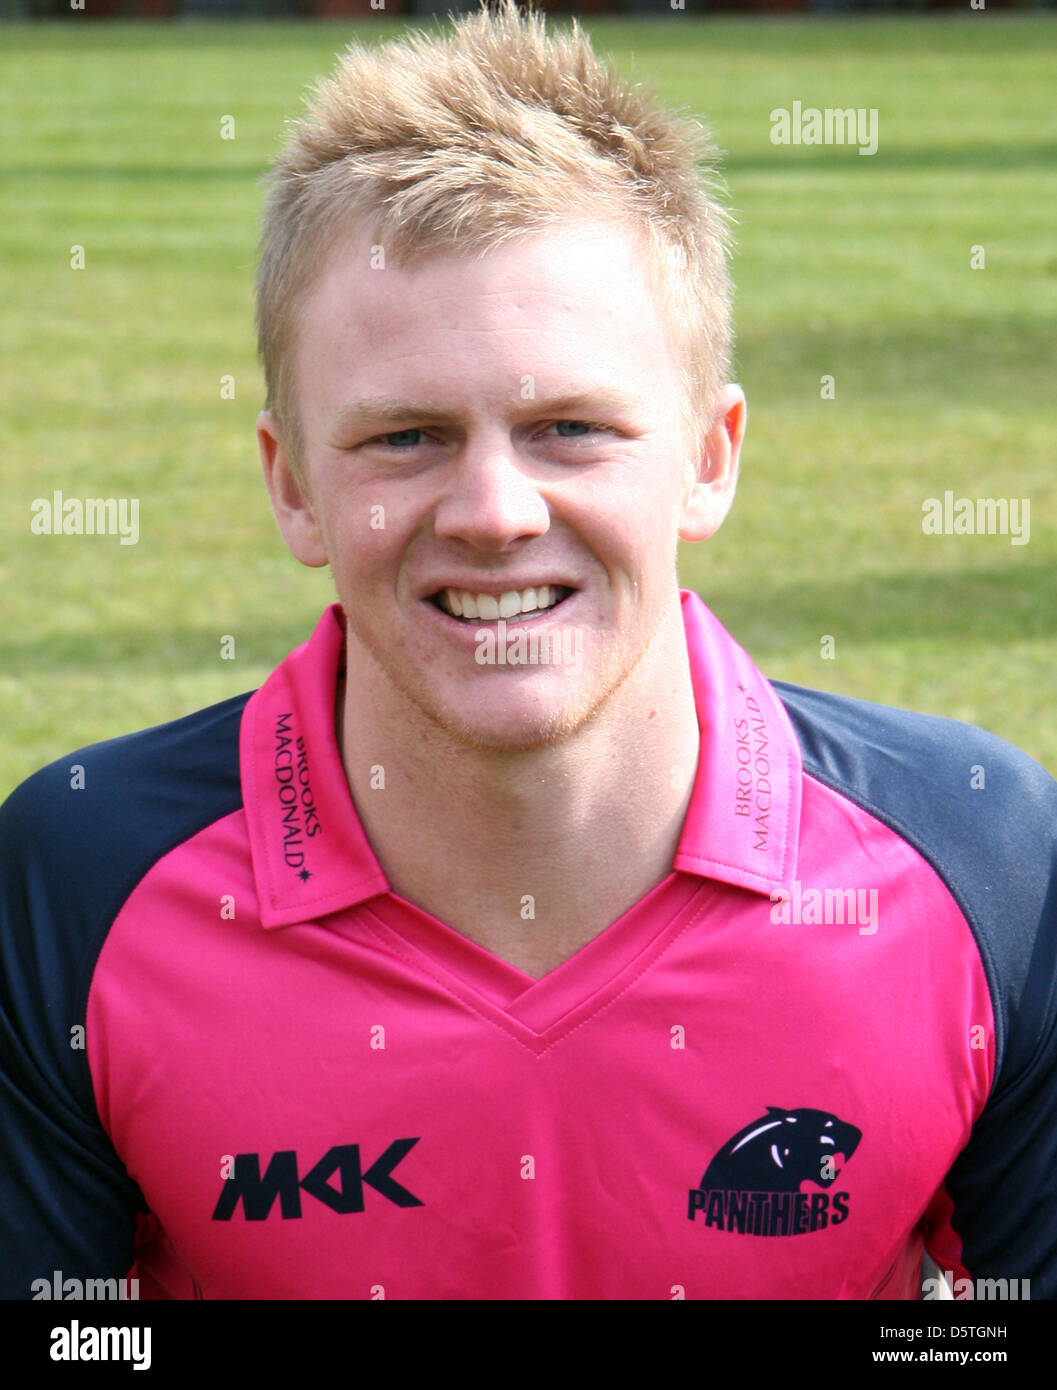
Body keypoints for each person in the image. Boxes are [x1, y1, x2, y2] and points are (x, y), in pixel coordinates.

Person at [1, 0, 1054, 1301]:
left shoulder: (986, 863)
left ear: (708, 456)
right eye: (404, 438)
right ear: (291, 486)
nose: (494, 512)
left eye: (570, 427)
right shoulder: (78, 879)